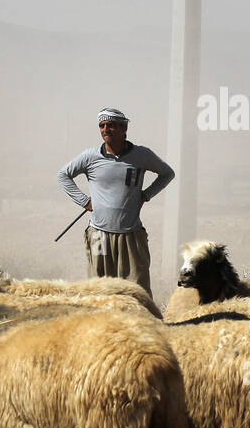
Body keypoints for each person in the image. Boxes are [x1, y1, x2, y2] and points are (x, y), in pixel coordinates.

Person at [56, 107, 174, 297]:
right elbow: (63, 175)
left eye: (111, 125)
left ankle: (143, 326)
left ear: (124, 128)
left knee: (137, 291)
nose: (105, 129)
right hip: (98, 235)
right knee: (98, 289)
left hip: (130, 235)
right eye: (102, 126)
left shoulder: (141, 155)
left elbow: (167, 173)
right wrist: (84, 201)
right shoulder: (90, 156)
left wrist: (146, 195)